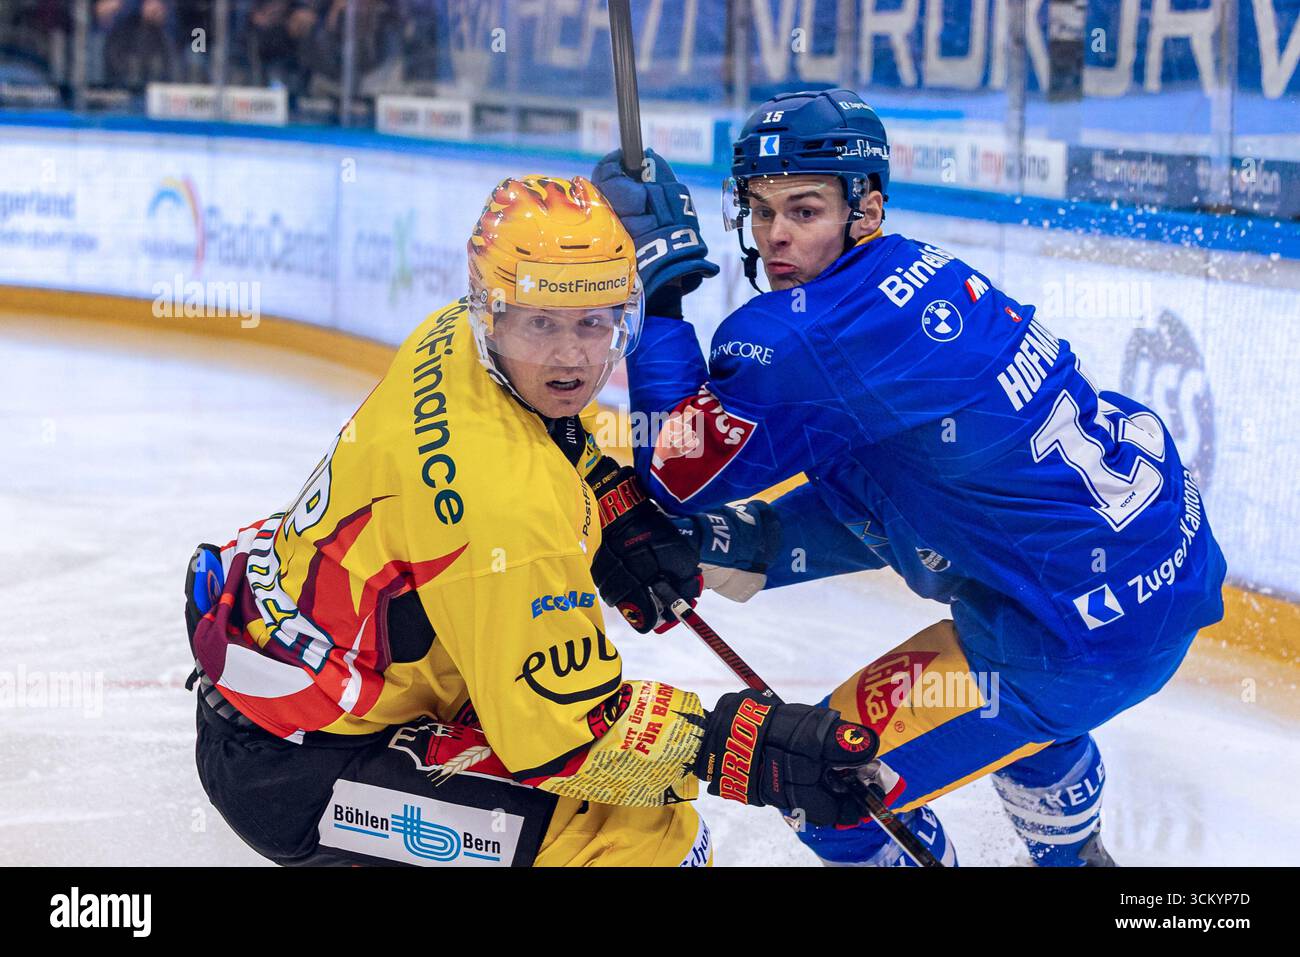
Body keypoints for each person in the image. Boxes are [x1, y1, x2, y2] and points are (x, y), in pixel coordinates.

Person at [590, 89, 1228, 866]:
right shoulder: (916, 276)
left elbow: (673, 471)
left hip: (1067, 642)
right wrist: (744, 543)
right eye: (761, 210)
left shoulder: (802, 333)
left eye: (804, 209)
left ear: (867, 208)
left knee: (822, 783)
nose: (777, 235)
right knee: (1015, 718)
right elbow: (902, 501)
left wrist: (659, 291)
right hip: (1159, 571)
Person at [183, 173, 890, 867]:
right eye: (541, 324)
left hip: (296, 686)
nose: (570, 356)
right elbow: (568, 741)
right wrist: (744, 747)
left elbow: (543, 436)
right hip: (303, 770)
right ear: (492, 311)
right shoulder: (505, 513)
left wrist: (610, 505)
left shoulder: (454, 336)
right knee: (646, 838)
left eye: (595, 322)